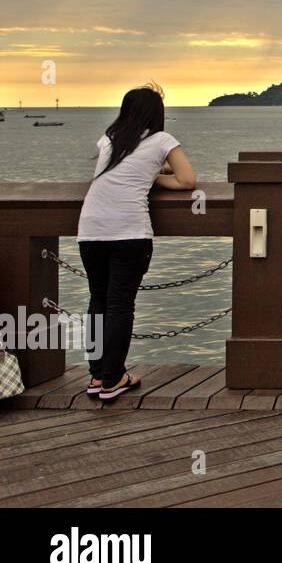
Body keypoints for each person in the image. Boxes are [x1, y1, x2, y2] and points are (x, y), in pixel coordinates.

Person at [76, 83, 197, 403]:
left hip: (90, 229)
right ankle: (114, 379)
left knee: (98, 302)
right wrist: (156, 176)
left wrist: (152, 169)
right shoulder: (161, 140)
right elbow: (187, 180)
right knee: (119, 305)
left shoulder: (110, 140)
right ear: (157, 114)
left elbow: (122, 171)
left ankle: (98, 374)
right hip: (128, 231)